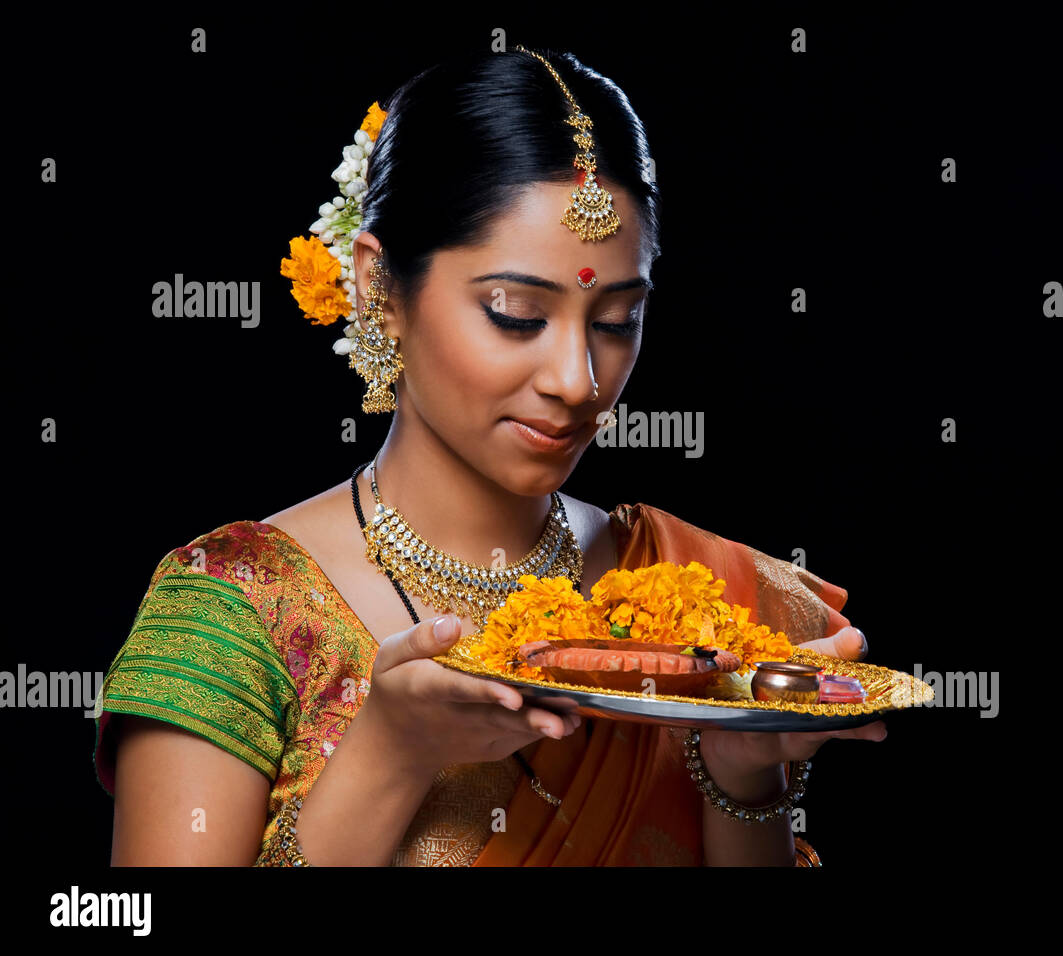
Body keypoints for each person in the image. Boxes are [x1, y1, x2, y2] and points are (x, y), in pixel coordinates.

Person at [92, 46, 886, 867]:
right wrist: (389, 757)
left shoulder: (702, 606)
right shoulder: (232, 615)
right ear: (379, 288)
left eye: (615, 321)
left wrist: (743, 777)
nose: (578, 383)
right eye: (514, 313)